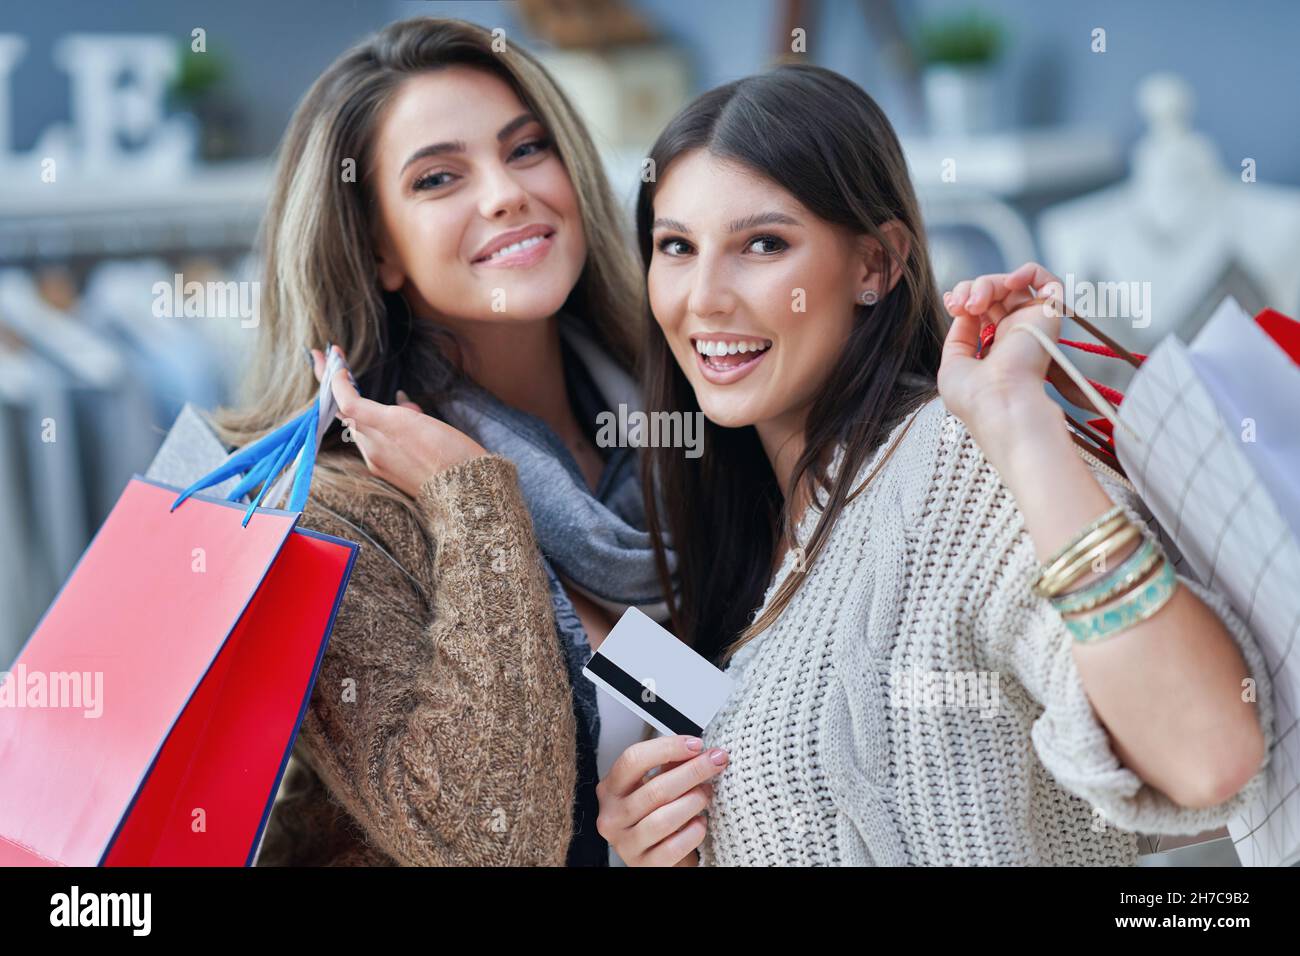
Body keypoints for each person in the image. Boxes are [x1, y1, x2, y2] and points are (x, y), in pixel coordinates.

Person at [596, 64, 1273, 866]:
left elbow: (1207, 753)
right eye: (676, 246)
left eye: (763, 244)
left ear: (875, 265)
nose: (703, 296)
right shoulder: (746, 538)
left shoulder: (956, 466)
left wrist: (1016, 422)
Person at [212, 17, 663, 866]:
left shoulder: (684, 433)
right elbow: (484, 840)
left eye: (527, 150)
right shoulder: (332, 518)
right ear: (379, 248)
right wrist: (472, 504)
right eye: (438, 177)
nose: (504, 193)